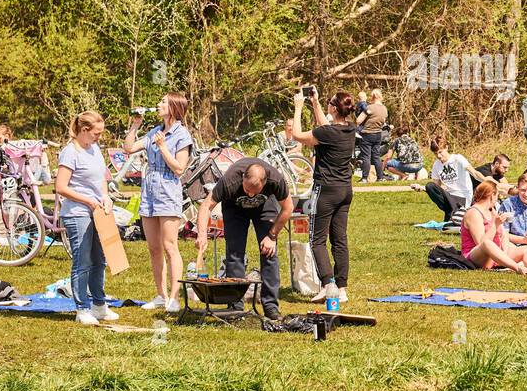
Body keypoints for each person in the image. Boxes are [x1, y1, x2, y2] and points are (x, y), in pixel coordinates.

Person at [195, 158, 294, 321]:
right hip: (234, 208)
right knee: (235, 253)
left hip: (264, 207)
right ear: (242, 179)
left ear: (265, 182)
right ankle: (235, 305)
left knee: (269, 253)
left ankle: (270, 306)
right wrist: (201, 234)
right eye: (247, 189)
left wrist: (272, 236)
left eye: (255, 191)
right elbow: (206, 206)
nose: (250, 194)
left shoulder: (275, 179)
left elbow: (288, 207)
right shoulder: (230, 181)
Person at [123, 93, 194, 313]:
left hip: (168, 190)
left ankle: (174, 297)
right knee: (154, 248)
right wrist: (135, 125)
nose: (159, 104)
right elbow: (129, 148)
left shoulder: (181, 135)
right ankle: (160, 295)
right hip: (149, 192)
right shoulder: (155, 131)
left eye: (163, 102)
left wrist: (163, 147)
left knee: (170, 246)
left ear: (173, 108)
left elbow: (179, 168)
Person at [287, 86, 358, 304]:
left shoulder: (326, 133)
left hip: (325, 190)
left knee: (317, 240)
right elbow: (326, 127)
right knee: (340, 239)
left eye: (329, 102)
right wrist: (316, 103)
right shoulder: (350, 129)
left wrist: (299, 108)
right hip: (345, 190)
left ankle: (328, 284)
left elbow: (297, 135)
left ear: (334, 109)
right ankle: (342, 288)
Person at [55, 111, 117, 326]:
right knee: (83, 261)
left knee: (100, 259)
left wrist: (105, 196)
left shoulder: (95, 149)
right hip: (77, 213)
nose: (99, 137)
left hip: (98, 211)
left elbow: (101, 178)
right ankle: (82, 308)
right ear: (84, 130)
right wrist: (88, 201)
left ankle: (99, 305)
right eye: (96, 133)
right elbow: (61, 187)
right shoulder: (70, 152)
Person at [461, 181, 527, 272]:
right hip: (476, 258)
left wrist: (506, 250)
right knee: (487, 243)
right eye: (497, 195)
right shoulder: (474, 213)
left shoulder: (491, 210)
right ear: (492, 195)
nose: (497, 199)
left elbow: (503, 234)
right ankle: (517, 268)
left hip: (495, 256)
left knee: (526, 249)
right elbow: (481, 244)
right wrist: (495, 225)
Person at [423, 135, 482, 220]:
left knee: (451, 224)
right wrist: (423, 188)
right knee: (430, 186)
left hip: (462, 198)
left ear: (446, 147)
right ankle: (453, 213)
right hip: (450, 198)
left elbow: (474, 173)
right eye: (435, 153)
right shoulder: (436, 164)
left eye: (440, 152)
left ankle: (456, 213)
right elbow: (436, 187)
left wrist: (488, 181)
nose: (438, 156)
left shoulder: (457, 158)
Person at [355, 89, 389, 183]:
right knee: (376, 156)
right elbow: (383, 122)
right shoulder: (384, 109)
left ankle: (365, 178)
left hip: (367, 134)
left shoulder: (370, 107)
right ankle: (380, 177)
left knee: (366, 156)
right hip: (378, 134)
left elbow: (358, 121)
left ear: (373, 97)